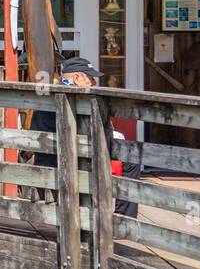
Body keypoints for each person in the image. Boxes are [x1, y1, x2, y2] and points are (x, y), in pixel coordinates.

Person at [26, 55, 139, 216]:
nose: (93, 83)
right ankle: (122, 219)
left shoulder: (48, 95)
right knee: (130, 158)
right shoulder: (77, 97)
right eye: (90, 78)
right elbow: (88, 135)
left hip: (48, 162)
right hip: (73, 164)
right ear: (77, 78)